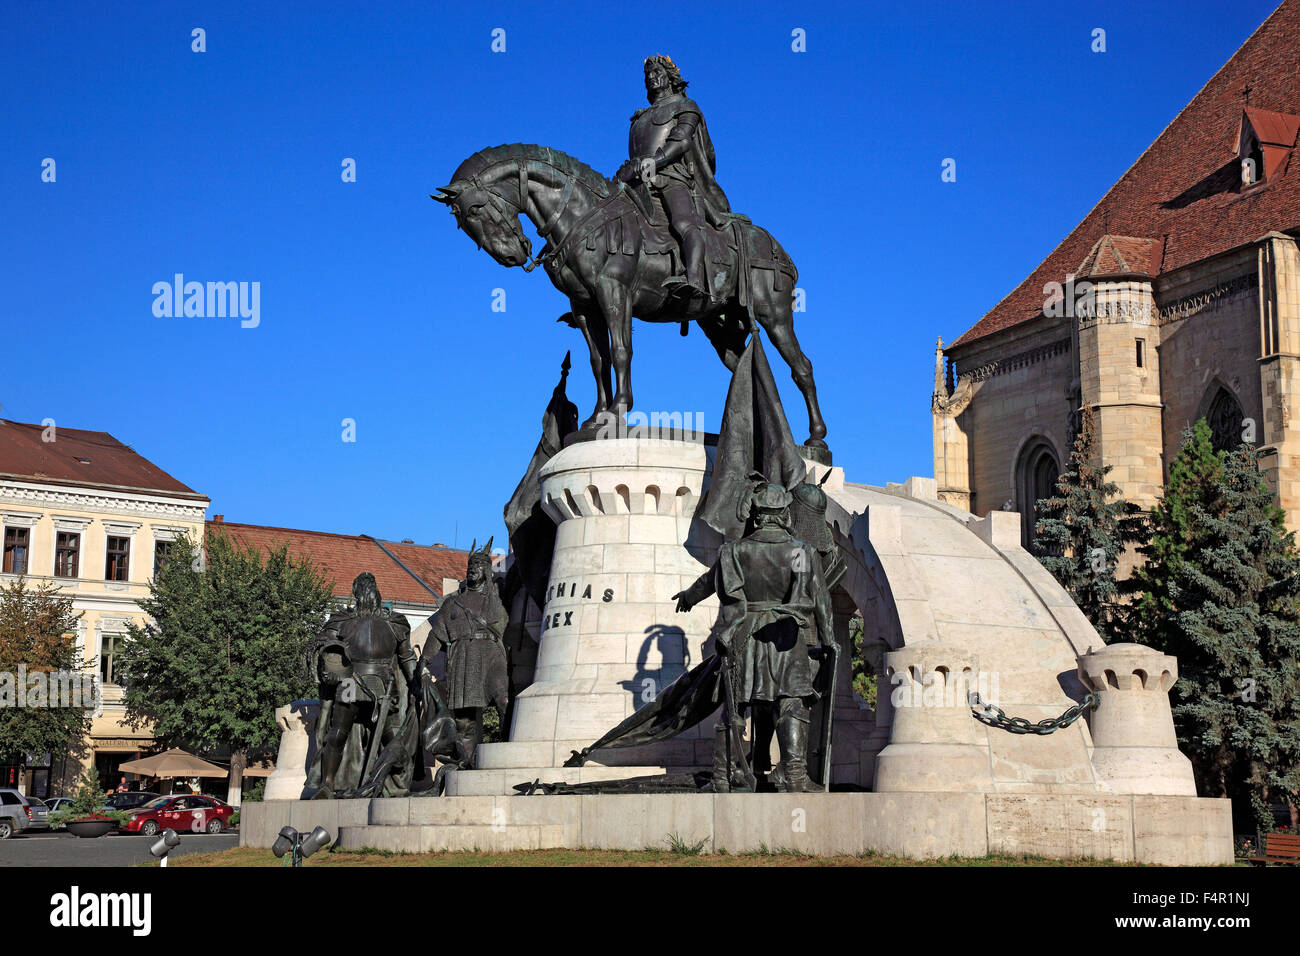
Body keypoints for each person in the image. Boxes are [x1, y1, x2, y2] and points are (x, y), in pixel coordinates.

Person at [673, 481, 835, 792]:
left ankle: (722, 777)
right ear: (785, 515)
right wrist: (828, 640)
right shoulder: (800, 552)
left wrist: (690, 596)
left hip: (743, 633)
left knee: (736, 707)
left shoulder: (736, 551)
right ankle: (795, 776)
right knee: (790, 703)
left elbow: (711, 579)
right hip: (785, 636)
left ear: (757, 516)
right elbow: (819, 597)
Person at [615, 55, 733, 307]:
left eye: (657, 73)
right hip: (636, 180)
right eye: (647, 75)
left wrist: (655, 162)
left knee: (683, 222)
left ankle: (694, 279)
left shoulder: (685, 106)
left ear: (670, 78)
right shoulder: (639, 117)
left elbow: (681, 141)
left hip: (670, 176)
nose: (651, 78)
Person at [421, 539, 509, 768]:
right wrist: (424, 660)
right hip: (464, 658)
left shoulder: (497, 597)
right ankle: (467, 764)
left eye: (478, 565)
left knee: (504, 699)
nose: (472, 569)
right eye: (470, 566)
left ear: (487, 571)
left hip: (490, 654)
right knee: (465, 721)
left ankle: (508, 752)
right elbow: (437, 634)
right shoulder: (453, 603)